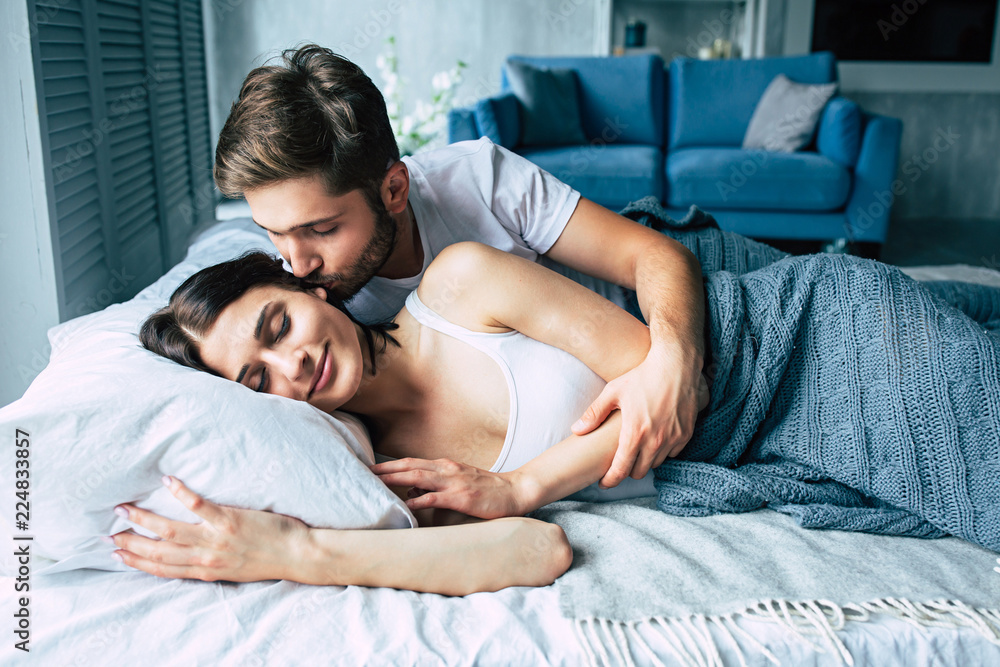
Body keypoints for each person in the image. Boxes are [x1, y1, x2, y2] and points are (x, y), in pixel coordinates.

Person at [116, 240, 1000, 592]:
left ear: (305, 282)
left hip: (795, 337)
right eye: (257, 379)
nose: (292, 365)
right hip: (757, 453)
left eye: (278, 324)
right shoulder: (369, 468)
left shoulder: (457, 286)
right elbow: (534, 549)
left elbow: (662, 385)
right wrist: (290, 551)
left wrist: (519, 483)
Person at [211, 43, 709, 491]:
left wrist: (675, 361)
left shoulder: (477, 178)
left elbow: (653, 255)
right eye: (274, 233)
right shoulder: (312, 316)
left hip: (673, 295)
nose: (297, 264)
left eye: (320, 229)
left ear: (394, 190)